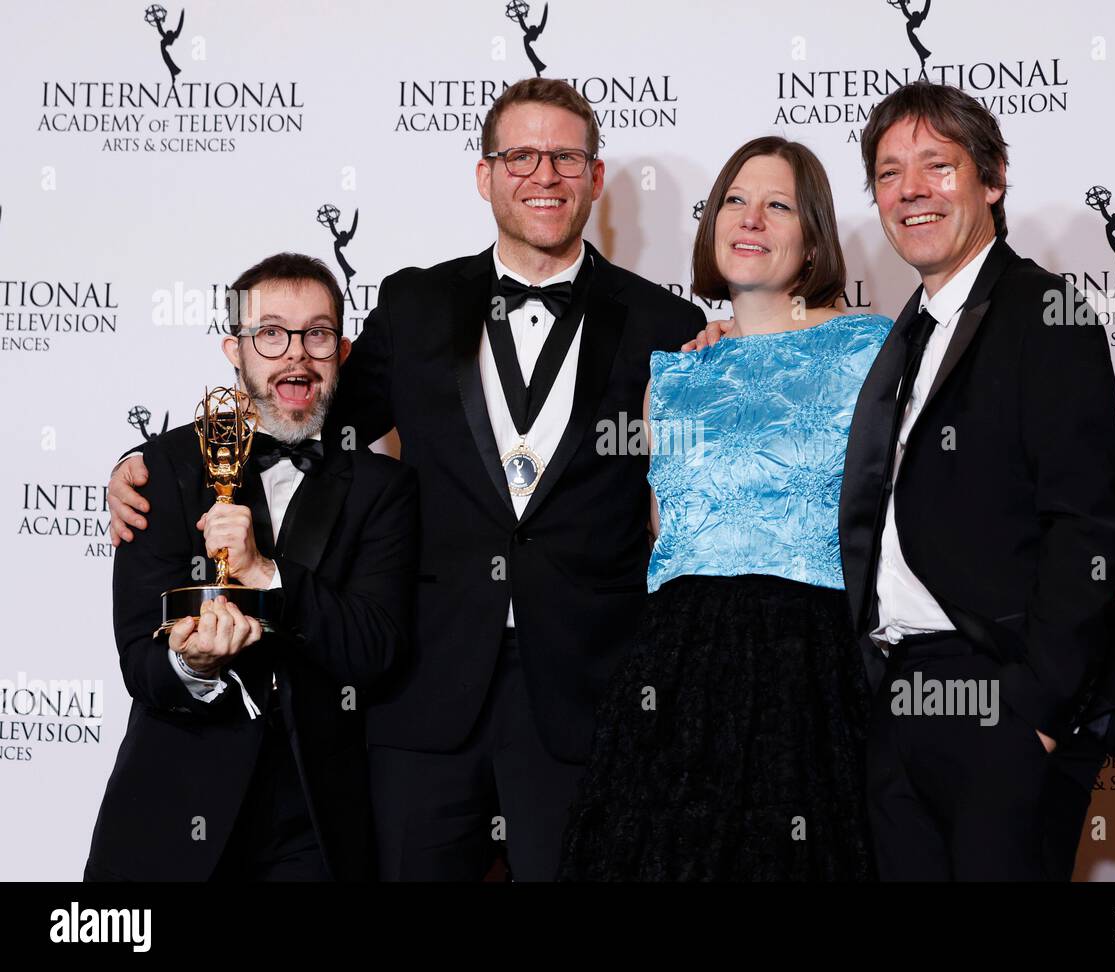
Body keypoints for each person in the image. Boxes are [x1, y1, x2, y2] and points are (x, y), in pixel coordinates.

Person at [108, 78, 705, 882]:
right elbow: (299, 405)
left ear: (596, 177)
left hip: (586, 689)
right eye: (520, 155)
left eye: (567, 156)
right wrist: (144, 462)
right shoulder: (418, 303)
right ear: (484, 175)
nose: (545, 175)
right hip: (422, 688)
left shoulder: (663, 323)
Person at [838, 82, 1115, 880]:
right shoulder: (902, 336)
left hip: (996, 695)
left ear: (993, 178)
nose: (911, 189)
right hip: (898, 694)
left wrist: (1036, 711)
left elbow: (1085, 526)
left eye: (937, 166)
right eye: (888, 172)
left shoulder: (1045, 312)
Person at [559, 136, 890, 880]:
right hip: (679, 670)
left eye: (778, 205)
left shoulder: (873, 351)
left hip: (811, 661)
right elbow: (657, 527)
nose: (751, 219)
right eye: (734, 201)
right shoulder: (675, 372)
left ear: (813, 238)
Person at [87, 253, 418, 881]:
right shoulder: (160, 470)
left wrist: (268, 573)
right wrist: (193, 664)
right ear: (234, 350)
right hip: (169, 810)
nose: (296, 353)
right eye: (270, 333)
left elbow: (376, 647)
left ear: (342, 352)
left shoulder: (385, 490)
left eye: (316, 333)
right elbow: (139, 657)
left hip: (313, 822)